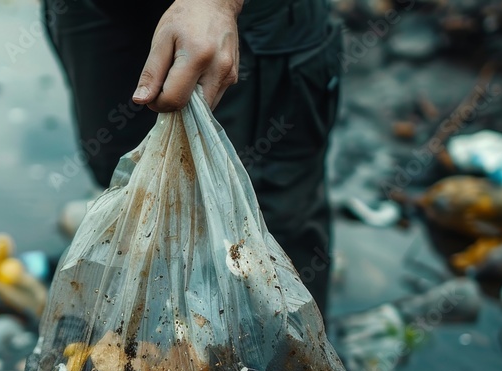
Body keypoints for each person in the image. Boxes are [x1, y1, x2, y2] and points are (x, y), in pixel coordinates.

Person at [44, 0, 342, 315]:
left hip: (244, 19)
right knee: (129, 187)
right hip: (98, 14)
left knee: (258, 215)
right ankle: (161, 336)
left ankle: (282, 357)